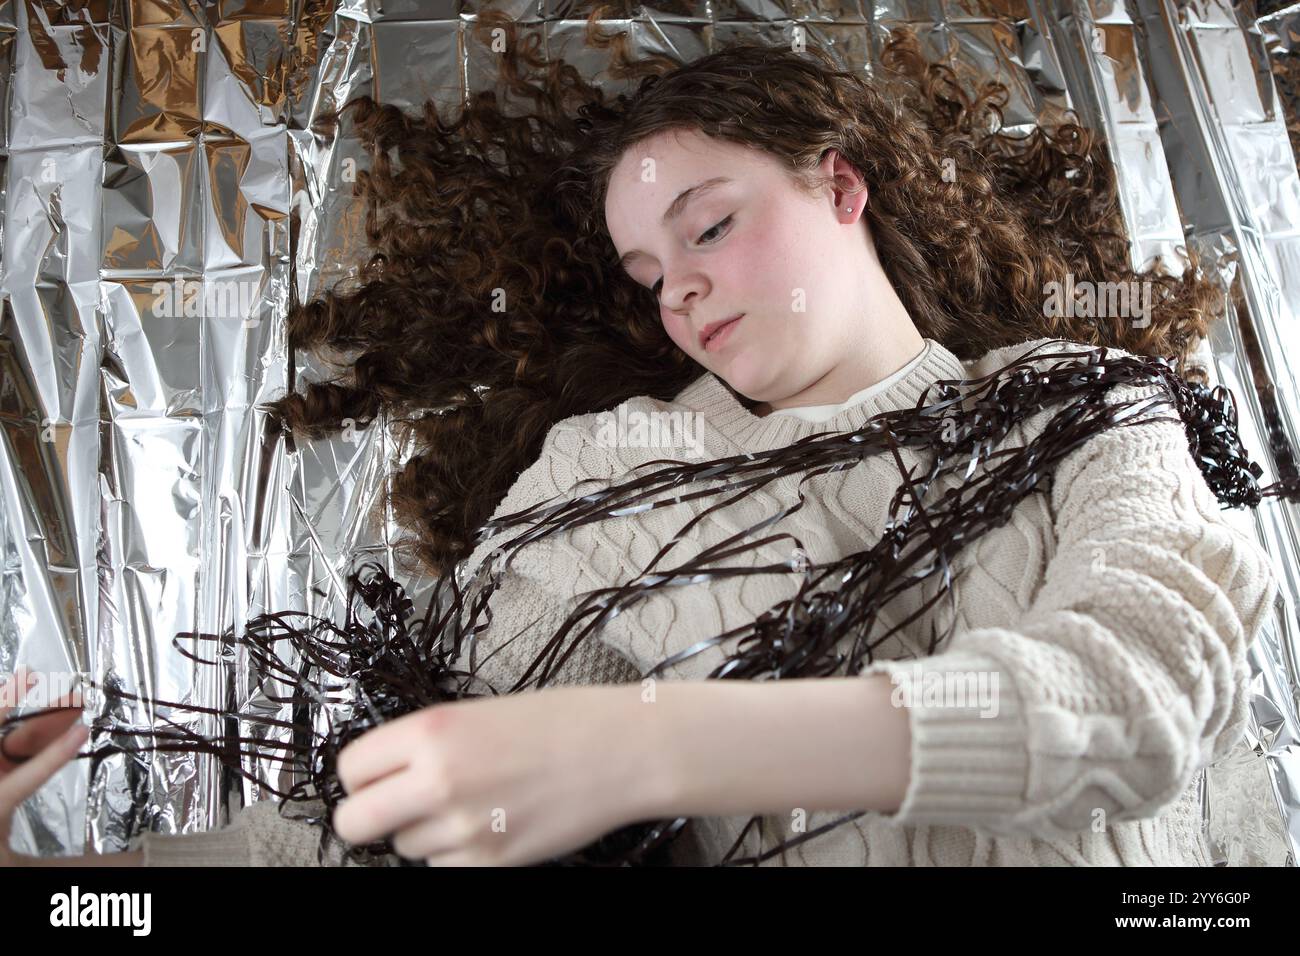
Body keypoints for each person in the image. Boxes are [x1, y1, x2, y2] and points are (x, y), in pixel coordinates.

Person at [0, 20, 1279, 866]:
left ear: (839, 187)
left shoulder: (1083, 404)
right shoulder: (607, 475)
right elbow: (354, 826)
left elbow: (1133, 694)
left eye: (709, 227)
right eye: (646, 269)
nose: (678, 291)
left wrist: (647, 743)